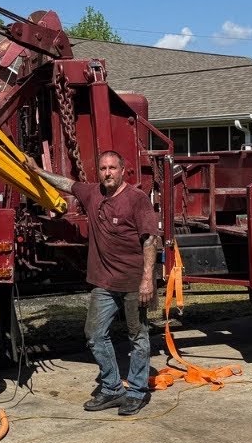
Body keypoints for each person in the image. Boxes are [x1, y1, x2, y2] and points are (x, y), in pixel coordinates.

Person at [24, 149, 161, 416]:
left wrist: (147, 280)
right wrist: (37, 171)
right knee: (95, 335)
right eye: (103, 169)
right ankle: (111, 388)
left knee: (138, 337)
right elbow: (66, 184)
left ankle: (136, 391)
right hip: (104, 282)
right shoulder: (92, 193)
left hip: (134, 282)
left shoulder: (137, 199)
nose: (107, 173)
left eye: (112, 168)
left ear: (123, 170)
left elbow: (150, 240)